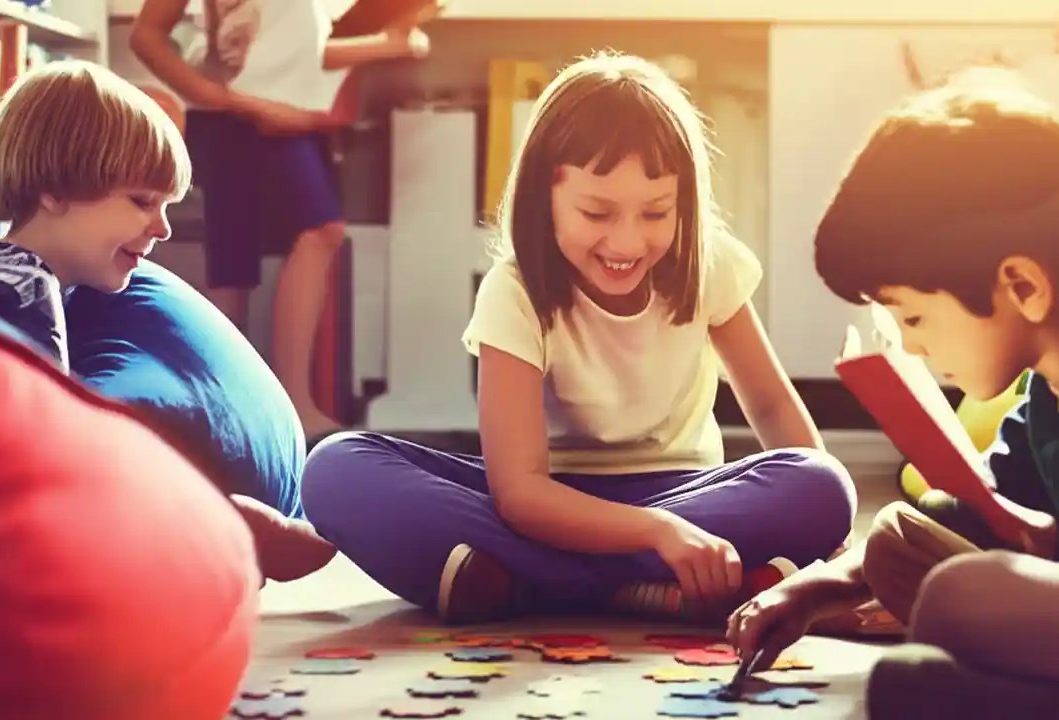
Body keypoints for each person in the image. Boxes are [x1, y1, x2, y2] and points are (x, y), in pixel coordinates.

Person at [299, 52, 857, 625]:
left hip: (687, 494)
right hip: (550, 502)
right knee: (337, 467)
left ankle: (537, 584)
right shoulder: (514, 292)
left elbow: (769, 403)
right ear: (546, 199)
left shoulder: (707, 267)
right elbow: (519, 493)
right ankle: (631, 588)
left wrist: (829, 536)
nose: (627, 242)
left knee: (819, 483)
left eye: (656, 212)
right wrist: (656, 532)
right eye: (597, 212)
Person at [726, 68, 1059, 717]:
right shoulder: (1051, 389)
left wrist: (1052, 551)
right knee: (900, 539)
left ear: (1022, 286)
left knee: (966, 595)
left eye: (913, 319)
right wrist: (821, 588)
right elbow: (980, 512)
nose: (915, 347)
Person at [0, 60, 336, 586]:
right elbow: (41, 443)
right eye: (141, 202)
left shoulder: (22, 279)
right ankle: (219, 526)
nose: (162, 228)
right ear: (54, 192)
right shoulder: (19, 288)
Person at [130, 0, 437, 438]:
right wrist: (220, 99)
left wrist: (386, 44)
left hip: (280, 114)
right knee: (259, 252)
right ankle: (247, 402)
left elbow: (302, 47)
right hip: (232, 116)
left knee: (264, 250)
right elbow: (146, 35)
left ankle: (266, 402)